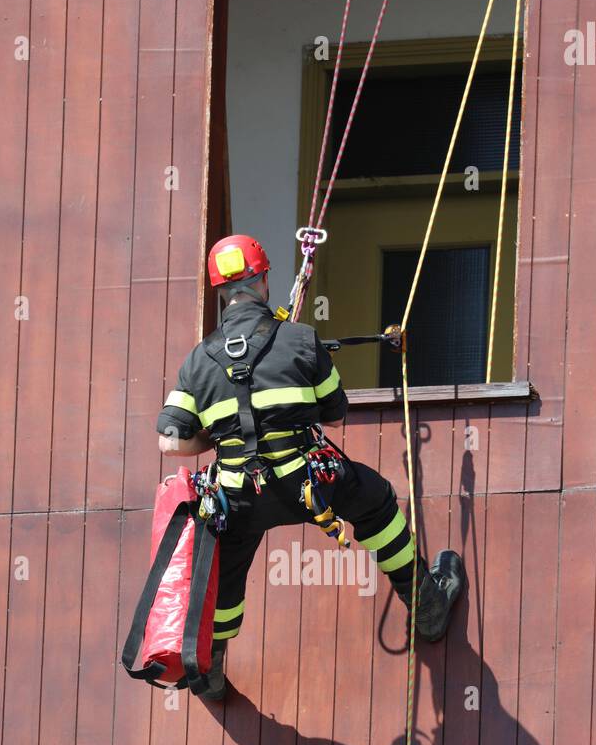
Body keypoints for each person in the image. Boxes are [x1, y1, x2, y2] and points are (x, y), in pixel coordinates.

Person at [157, 234, 464, 700]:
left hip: (239, 494)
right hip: (310, 482)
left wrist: (221, 438)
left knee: (226, 562)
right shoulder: (299, 339)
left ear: (221, 293)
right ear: (262, 282)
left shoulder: (198, 360)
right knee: (376, 502)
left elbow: (170, 441)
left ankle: (211, 667)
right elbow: (334, 411)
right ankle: (426, 606)